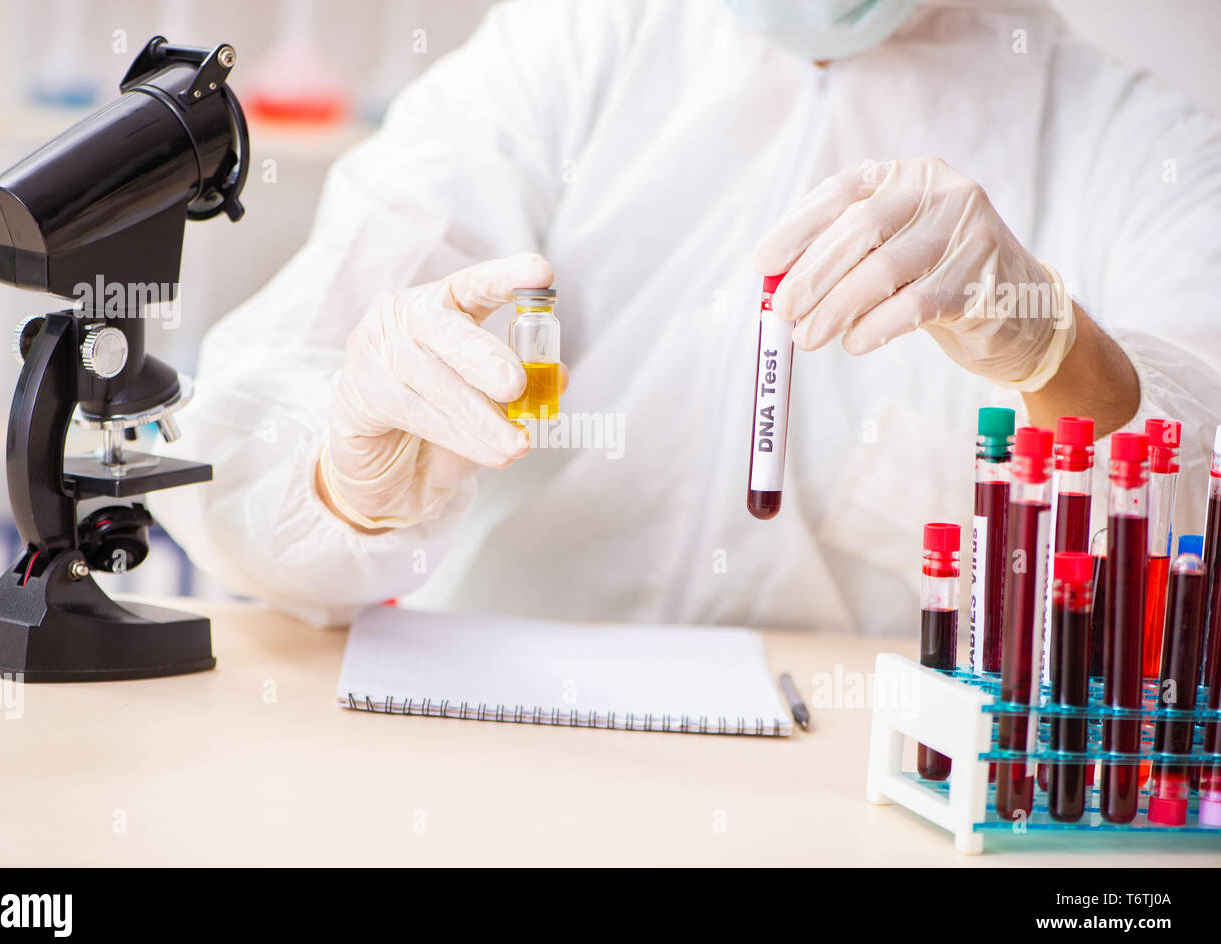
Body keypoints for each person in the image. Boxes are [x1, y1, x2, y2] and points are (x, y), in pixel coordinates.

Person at [155, 0, 1221, 633]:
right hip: (498, 744)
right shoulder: (575, 45)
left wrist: (1061, 353)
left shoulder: (1130, 147)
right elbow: (255, 412)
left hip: (868, 812)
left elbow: (1193, 525)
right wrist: (346, 481)